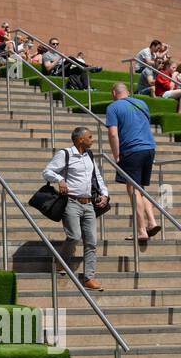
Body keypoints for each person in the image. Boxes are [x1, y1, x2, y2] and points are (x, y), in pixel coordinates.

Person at [42, 126, 110, 290]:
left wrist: (105, 194)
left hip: (89, 204)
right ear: (81, 139)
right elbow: (47, 172)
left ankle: (89, 278)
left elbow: (97, 177)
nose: (92, 140)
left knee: (91, 242)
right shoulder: (65, 154)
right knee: (74, 236)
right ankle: (62, 262)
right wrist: (60, 179)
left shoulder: (90, 155)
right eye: (90, 137)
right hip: (71, 202)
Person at [106, 83, 159, 245]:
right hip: (149, 148)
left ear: (114, 93)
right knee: (140, 188)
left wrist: (116, 156)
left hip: (131, 150)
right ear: (127, 92)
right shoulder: (142, 103)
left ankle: (142, 231)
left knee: (132, 189)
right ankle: (152, 222)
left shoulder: (113, 107)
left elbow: (113, 134)